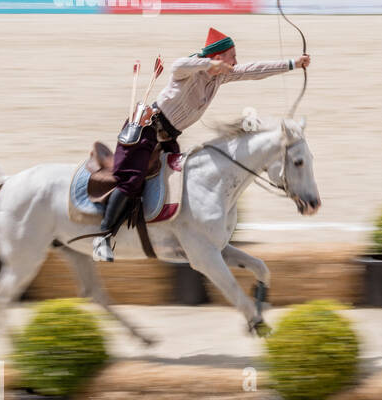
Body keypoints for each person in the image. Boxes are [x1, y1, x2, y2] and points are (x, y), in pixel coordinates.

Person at [92, 27, 311, 261]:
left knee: (181, 185)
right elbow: (177, 65)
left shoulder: (222, 76)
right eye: (232, 55)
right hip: (145, 130)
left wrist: (293, 64)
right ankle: (102, 237)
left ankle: (173, 236)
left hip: (168, 139)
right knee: (132, 180)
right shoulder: (190, 70)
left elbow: (253, 70)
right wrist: (207, 65)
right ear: (218, 57)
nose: (236, 61)